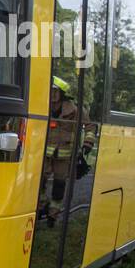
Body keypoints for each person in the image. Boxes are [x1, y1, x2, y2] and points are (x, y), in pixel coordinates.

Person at [40, 75, 94, 225]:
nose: (53, 94)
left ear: (62, 93)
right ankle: (42, 206)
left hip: (64, 156)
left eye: (56, 91)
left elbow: (90, 126)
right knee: (39, 182)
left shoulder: (75, 110)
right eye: (51, 91)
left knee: (59, 186)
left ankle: (53, 214)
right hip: (45, 155)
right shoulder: (42, 105)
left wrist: (88, 143)